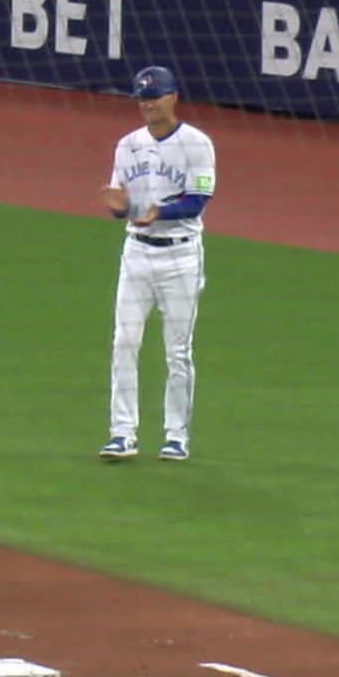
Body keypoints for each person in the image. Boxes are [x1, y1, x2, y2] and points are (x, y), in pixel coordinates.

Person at [98, 66, 217, 462]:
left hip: (181, 256)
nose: (147, 103)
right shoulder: (127, 145)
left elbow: (197, 201)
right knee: (124, 341)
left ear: (173, 97)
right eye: (142, 97)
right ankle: (121, 433)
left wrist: (156, 211)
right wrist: (122, 209)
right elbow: (125, 204)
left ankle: (176, 435)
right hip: (136, 254)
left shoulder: (197, 144)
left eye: (155, 96)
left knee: (177, 350)